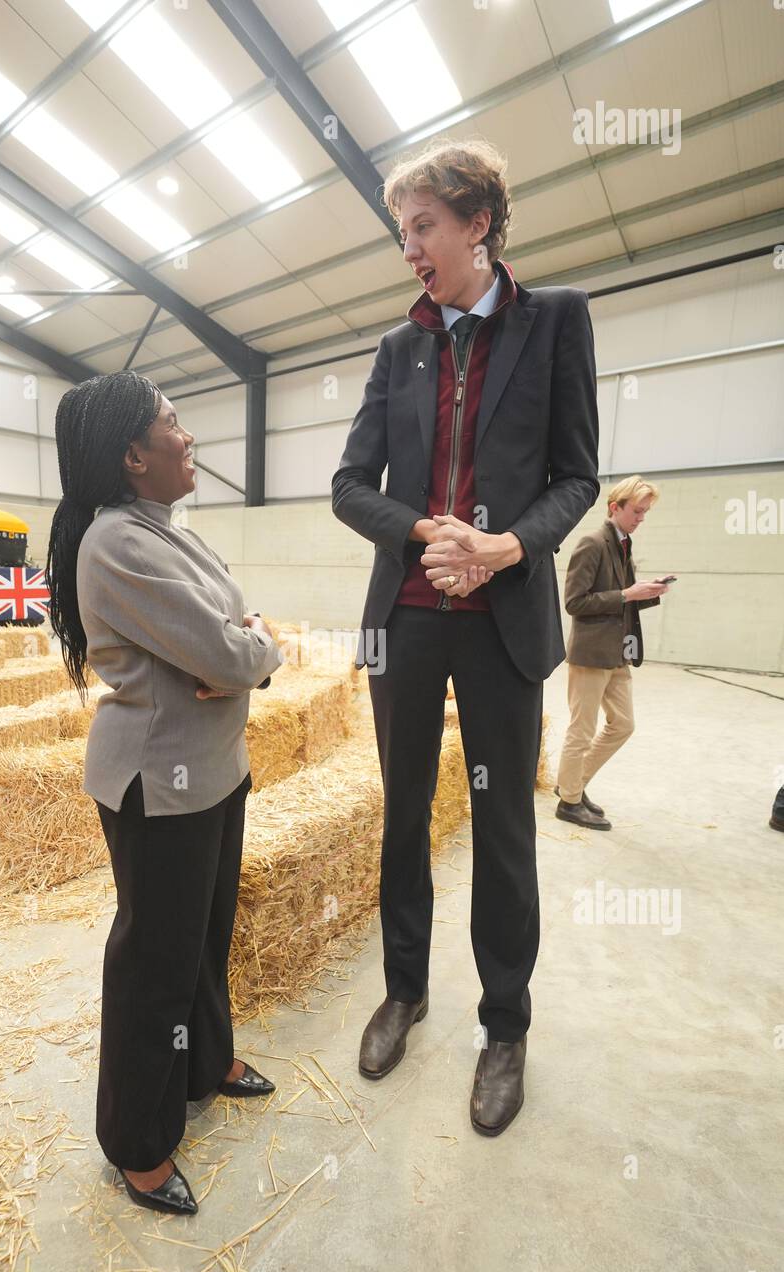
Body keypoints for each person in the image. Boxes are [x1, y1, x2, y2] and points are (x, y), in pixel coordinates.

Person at [331, 137, 600, 1138]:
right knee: (404, 814)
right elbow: (350, 484)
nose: (411, 247)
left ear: (478, 224)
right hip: (406, 618)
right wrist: (422, 533)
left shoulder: (558, 322)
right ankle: (405, 991)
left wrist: (498, 546)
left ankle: (505, 1027)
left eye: (424, 227)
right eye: (404, 231)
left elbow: (576, 475)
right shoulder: (398, 348)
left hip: (501, 623)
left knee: (502, 832)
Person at [46, 371, 283, 1216]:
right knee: (154, 963)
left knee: (207, 936)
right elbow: (229, 654)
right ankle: (137, 1146)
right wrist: (248, 652)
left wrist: (243, 646)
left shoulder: (166, 529)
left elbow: (237, 633)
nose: (190, 439)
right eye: (173, 425)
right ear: (132, 456)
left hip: (215, 768)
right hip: (160, 785)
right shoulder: (117, 541)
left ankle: (206, 1061)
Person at [555, 475, 671, 830]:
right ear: (614, 508)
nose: (640, 518)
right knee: (582, 730)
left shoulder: (624, 544)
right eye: (636, 511)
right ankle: (569, 803)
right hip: (591, 654)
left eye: (644, 512)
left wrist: (649, 592)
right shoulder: (592, 543)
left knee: (623, 725)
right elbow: (575, 602)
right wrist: (627, 595)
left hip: (618, 652)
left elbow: (625, 596)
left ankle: (572, 785)